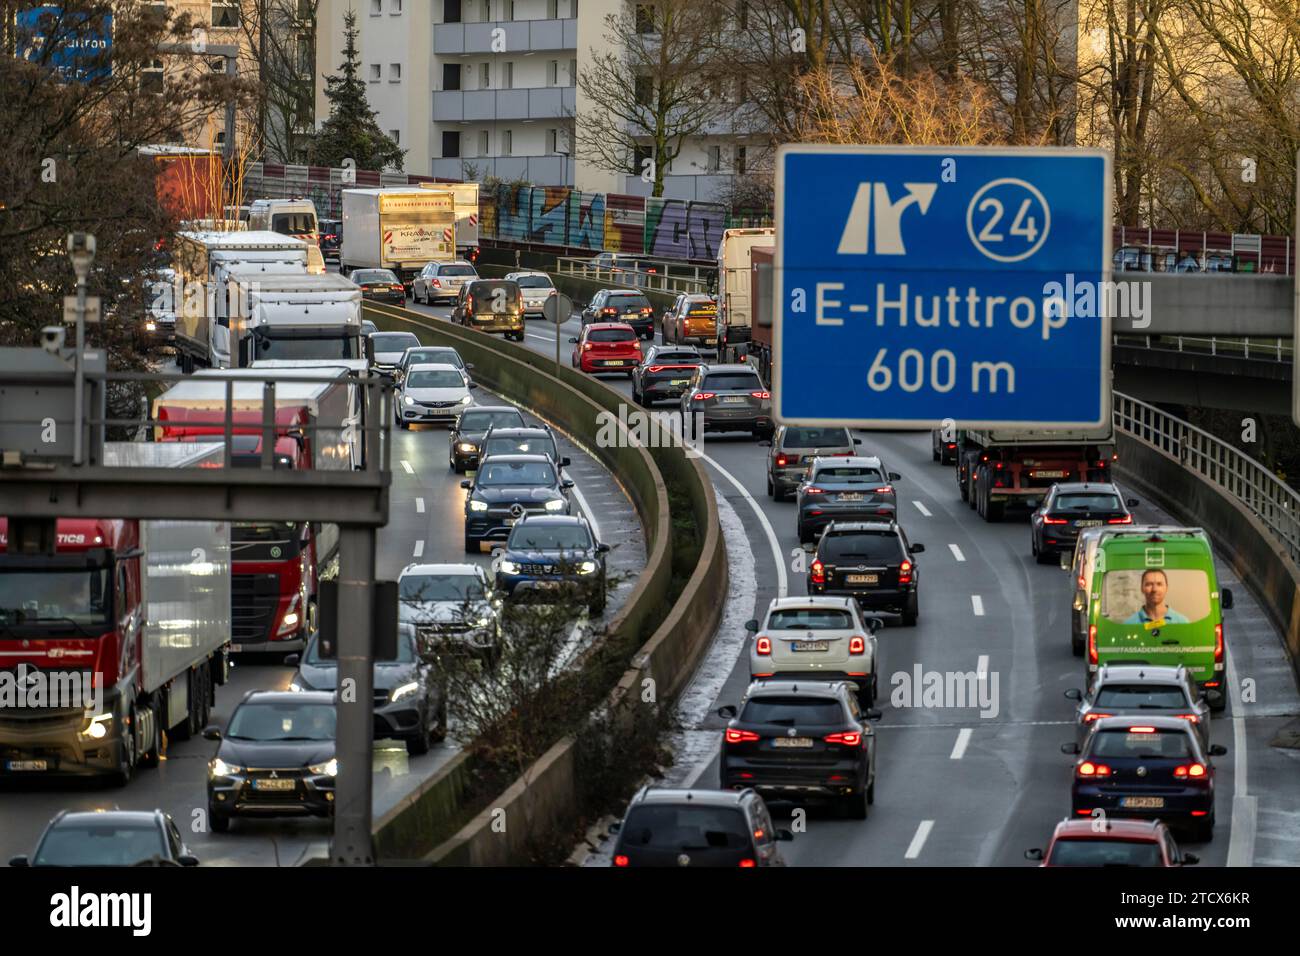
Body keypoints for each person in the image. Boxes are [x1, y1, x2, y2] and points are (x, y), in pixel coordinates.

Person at [1124, 568, 1189, 625]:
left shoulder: (1183, 622)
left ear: (1166, 588)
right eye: (1149, 584)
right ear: (1142, 588)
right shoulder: (1129, 624)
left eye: (1159, 584)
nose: (1154, 589)